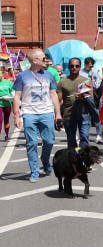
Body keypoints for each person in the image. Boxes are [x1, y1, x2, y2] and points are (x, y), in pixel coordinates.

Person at [13, 49, 63, 182]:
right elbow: (17, 96)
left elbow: (53, 94)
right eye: (43, 58)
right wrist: (17, 116)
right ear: (34, 60)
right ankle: (34, 171)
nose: (46, 60)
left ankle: (45, 160)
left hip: (46, 112)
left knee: (49, 141)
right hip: (29, 113)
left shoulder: (49, 75)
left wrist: (58, 114)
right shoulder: (22, 76)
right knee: (32, 143)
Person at [56, 57, 92, 149]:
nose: (74, 68)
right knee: (71, 140)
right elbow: (58, 100)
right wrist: (57, 115)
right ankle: (74, 160)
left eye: (77, 66)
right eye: (72, 66)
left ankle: (83, 161)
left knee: (84, 138)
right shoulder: (62, 82)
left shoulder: (86, 80)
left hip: (84, 114)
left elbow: (91, 97)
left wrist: (82, 96)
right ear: (68, 67)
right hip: (69, 115)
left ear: (80, 67)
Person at [0, 67, 13, 141]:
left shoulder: (8, 82)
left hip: (7, 104)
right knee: (0, 120)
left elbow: (13, 92)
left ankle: (7, 135)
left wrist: (10, 97)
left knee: (6, 120)